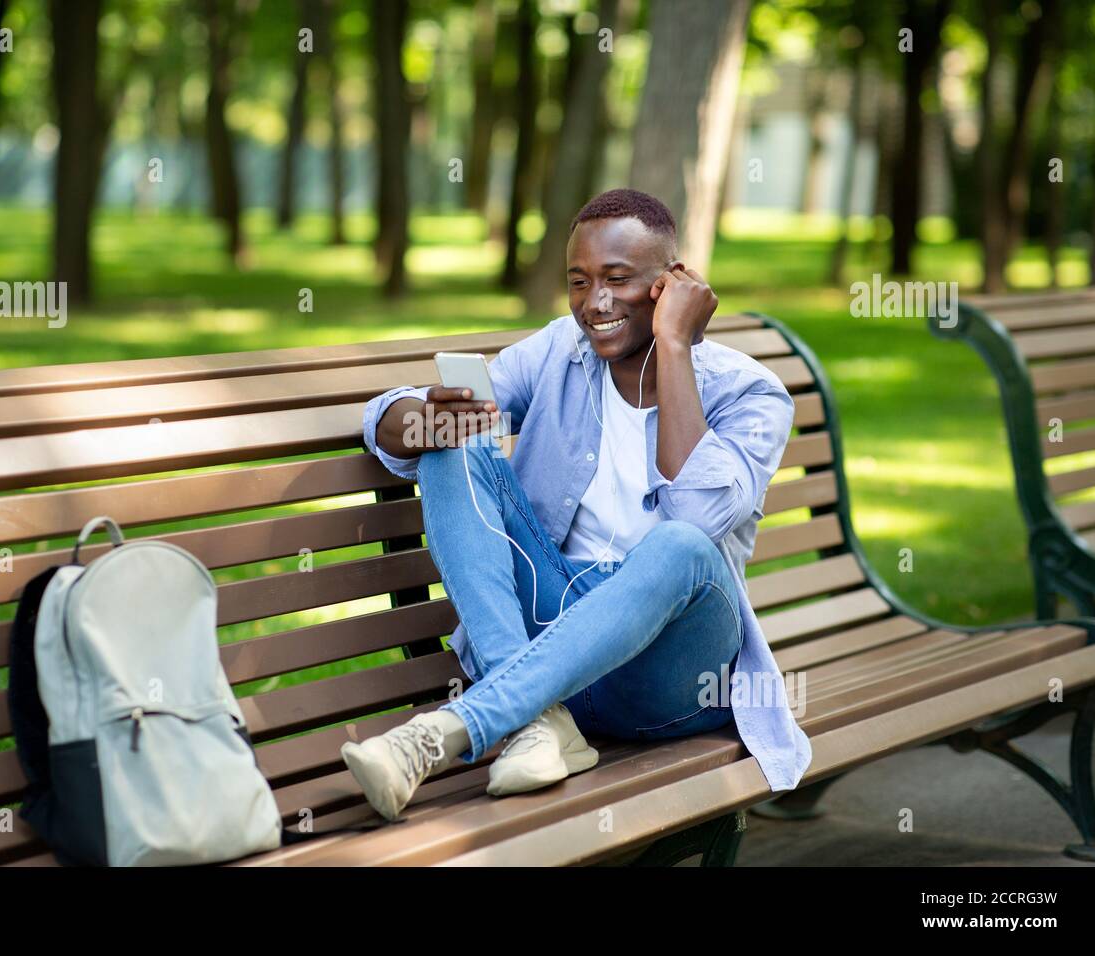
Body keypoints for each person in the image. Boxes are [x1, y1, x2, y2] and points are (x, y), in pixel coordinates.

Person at [341, 188, 812, 821]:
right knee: (455, 444)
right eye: (580, 281)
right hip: (552, 649)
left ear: (670, 284)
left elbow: (696, 518)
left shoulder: (752, 395)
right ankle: (534, 725)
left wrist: (674, 347)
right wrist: (425, 417)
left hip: (666, 680)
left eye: (618, 280)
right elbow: (386, 420)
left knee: (679, 545)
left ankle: (450, 731)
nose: (595, 303)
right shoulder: (559, 350)